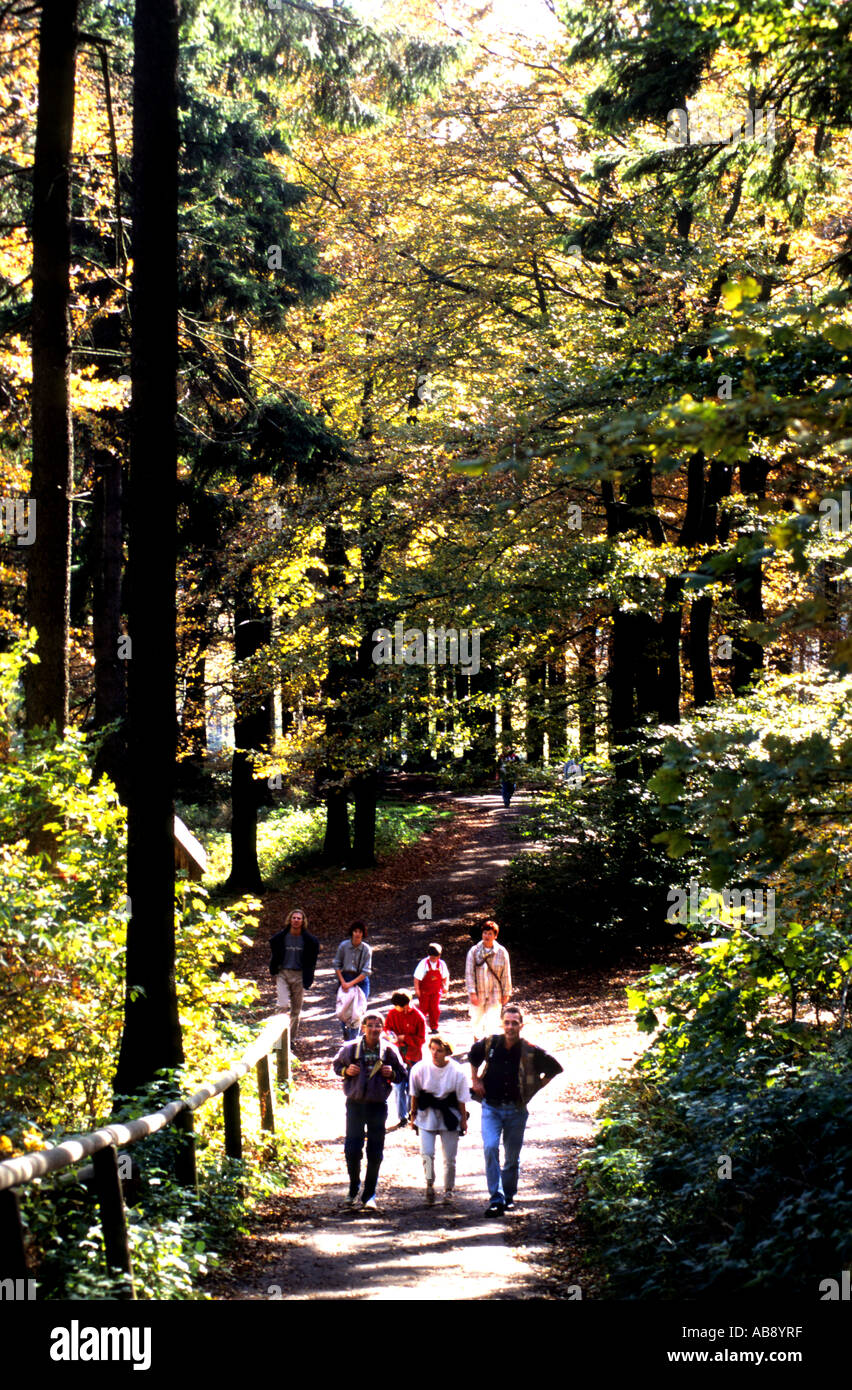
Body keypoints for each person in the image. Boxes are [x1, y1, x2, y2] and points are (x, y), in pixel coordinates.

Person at [469, 1003, 563, 1217]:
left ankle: (508, 1196)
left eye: (514, 1023)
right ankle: (496, 1199)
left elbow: (554, 1068)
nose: (510, 1027)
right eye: (507, 1023)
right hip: (491, 1107)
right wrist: (476, 1081)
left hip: (516, 1110)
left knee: (512, 1157)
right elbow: (473, 1056)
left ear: (521, 1025)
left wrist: (535, 1087)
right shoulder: (491, 1043)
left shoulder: (530, 1050)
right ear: (502, 1023)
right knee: (490, 1148)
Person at [332, 1011, 406, 1213]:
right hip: (355, 1105)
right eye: (370, 1025)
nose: (374, 1029)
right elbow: (336, 1066)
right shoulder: (350, 1048)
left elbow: (402, 1074)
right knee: (352, 1150)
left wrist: (392, 1074)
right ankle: (353, 1187)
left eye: (378, 1026)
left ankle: (370, 1194)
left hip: (377, 1106)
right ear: (363, 1027)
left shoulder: (389, 1051)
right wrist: (346, 1071)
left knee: (375, 1151)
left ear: (383, 1029)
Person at [409, 1034, 470, 1206]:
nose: (435, 1054)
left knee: (449, 1158)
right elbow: (415, 1095)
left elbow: (461, 1098)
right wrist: (412, 1117)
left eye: (439, 1050)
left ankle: (449, 1190)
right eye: (432, 1049)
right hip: (426, 1114)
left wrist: (463, 1120)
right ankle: (429, 1183)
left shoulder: (457, 1071)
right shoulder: (420, 1069)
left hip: (449, 1115)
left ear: (447, 1052)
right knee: (427, 1154)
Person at [268, 907, 320, 1046]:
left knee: (296, 1010)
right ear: (290, 920)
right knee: (282, 1005)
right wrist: (273, 969)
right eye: (294, 917)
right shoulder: (280, 938)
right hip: (283, 973)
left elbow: (312, 961)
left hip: (299, 975)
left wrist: (308, 977)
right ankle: (277, 1040)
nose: (296, 920)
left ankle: (289, 1040)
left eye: (299, 918)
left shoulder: (309, 941)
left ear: (303, 921)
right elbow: (274, 954)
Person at [383, 990, 427, 1128]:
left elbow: (422, 1040)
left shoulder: (418, 1017)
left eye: (400, 1007)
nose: (397, 1009)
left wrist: (404, 1038)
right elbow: (387, 1029)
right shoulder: (392, 1013)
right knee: (398, 1086)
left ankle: (411, 1112)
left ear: (407, 1005)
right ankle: (402, 1117)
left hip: (413, 1057)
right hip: (397, 1056)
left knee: (411, 1087)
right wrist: (391, 1037)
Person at [465, 919, 512, 1040]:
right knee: (476, 1020)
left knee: (493, 1021)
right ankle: (477, 1044)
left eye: (490, 933)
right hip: (478, 991)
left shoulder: (502, 952)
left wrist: (506, 993)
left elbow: (506, 974)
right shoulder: (474, 951)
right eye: (485, 933)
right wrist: (472, 993)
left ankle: (489, 1046)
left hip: (495, 992)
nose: (487, 936)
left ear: (495, 936)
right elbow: (469, 973)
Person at [334, 921, 373, 1041]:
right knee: (343, 1010)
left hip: (360, 980)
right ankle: (345, 1032)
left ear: (363, 934)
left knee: (358, 1010)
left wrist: (350, 984)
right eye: (355, 931)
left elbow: (366, 971)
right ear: (352, 932)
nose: (357, 934)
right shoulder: (343, 946)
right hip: (345, 978)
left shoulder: (366, 949)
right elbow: (337, 965)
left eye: (360, 932)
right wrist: (343, 982)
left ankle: (354, 1039)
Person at [413, 942, 449, 1031]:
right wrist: (417, 989)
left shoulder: (441, 964)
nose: (433, 959)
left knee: (435, 1009)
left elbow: (445, 976)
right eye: (431, 957)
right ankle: (420, 1027)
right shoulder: (423, 964)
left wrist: (446, 986)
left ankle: (434, 1027)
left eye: (435, 957)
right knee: (423, 1009)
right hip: (424, 991)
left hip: (436, 991)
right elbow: (416, 978)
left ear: (439, 956)